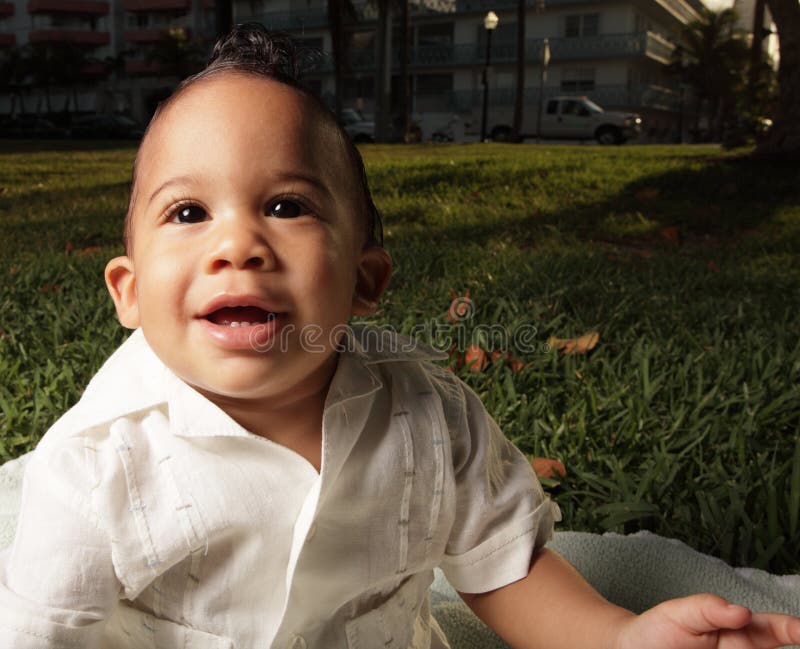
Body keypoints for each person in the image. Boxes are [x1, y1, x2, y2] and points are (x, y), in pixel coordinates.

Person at [1, 24, 799, 649]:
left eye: (286, 205)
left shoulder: (428, 413)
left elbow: (504, 569)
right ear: (129, 292)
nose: (237, 243)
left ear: (365, 280)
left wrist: (620, 632)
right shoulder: (92, 468)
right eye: (187, 212)